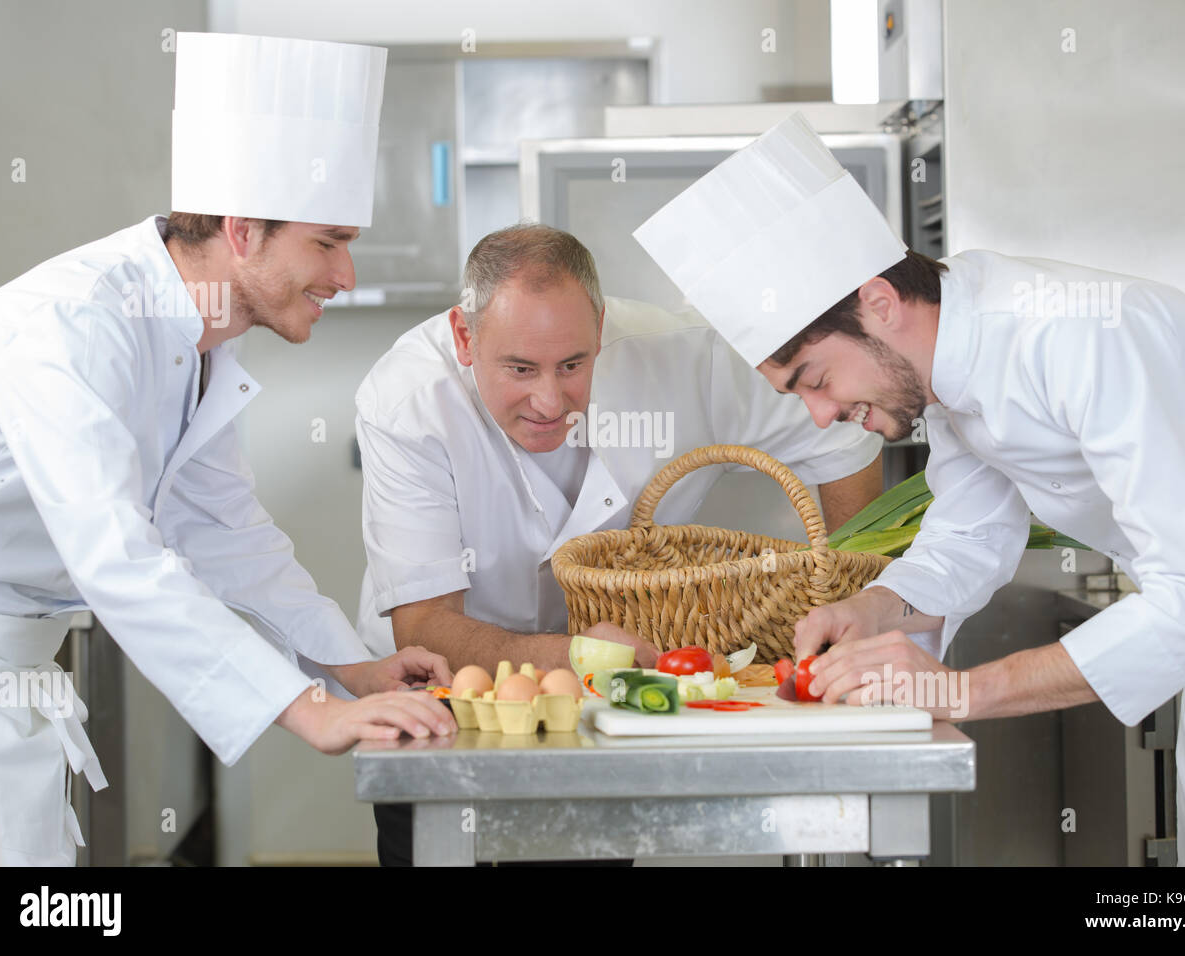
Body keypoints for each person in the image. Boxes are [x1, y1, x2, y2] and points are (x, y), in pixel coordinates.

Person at [634, 112, 1185, 866]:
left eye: (816, 379)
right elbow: (970, 536)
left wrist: (961, 693)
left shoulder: (1074, 338)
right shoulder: (947, 373)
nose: (821, 413)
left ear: (878, 302)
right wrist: (872, 607)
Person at [0, 32, 455, 868]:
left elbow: (227, 535)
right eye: (328, 241)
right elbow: (116, 557)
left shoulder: (199, 346)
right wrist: (310, 710)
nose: (345, 273)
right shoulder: (74, 326)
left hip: (8, 663)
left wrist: (351, 672)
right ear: (241, 231)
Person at [356, 222, 886, 864]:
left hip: (608, 708)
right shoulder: (407, 401)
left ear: (601, 327)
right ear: (465, 338)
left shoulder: (688, 359)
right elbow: (423, 623)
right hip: (443, 697)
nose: (550, 400)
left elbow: (841, 441)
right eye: (520, 368)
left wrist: (858, 602)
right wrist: (574, 654)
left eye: (573, 364)